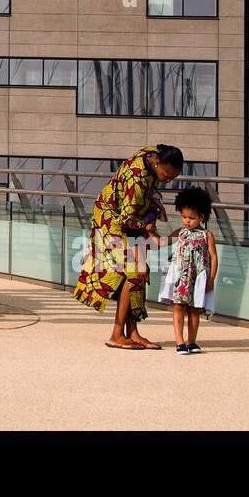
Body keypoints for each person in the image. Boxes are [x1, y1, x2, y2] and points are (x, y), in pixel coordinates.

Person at [73, 144, 183, 349]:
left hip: (126, 218)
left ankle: (132, 333)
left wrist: (155, 203)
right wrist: (140, 259)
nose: (167, 180)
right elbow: (128, 222)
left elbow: (138, 208)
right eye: (166, 175)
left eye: (172, 178)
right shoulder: (137, 179)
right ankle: (117, 335)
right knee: (132, 271)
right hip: (110, 220)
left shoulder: (151, 154)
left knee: (135, 274)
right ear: (157, 162)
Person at [158, 186, 218, 355]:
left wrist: (211, 278)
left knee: (194, 308)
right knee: (179, 306)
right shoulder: (180, 232)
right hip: (180, 277)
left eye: (191, 218)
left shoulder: (207, 235)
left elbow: (213, 257)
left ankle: (192, 341)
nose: (187, 221)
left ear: (201, 217)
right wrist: (149, 231)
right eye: (184, 217)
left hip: (198, 276)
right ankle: (179, 341)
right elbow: (163, 243)